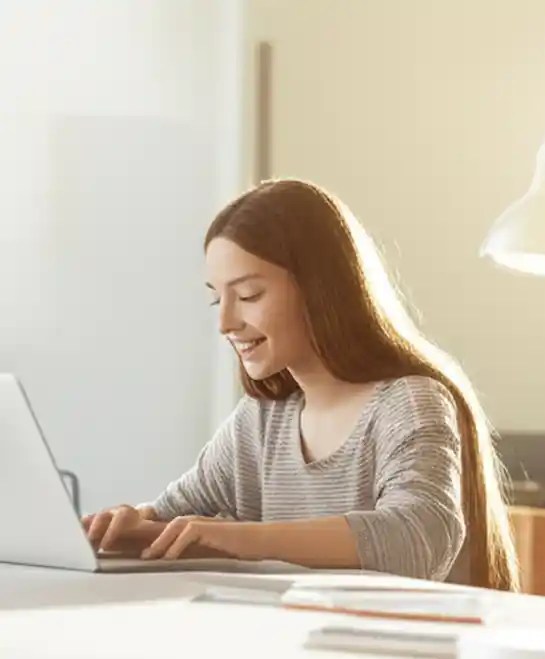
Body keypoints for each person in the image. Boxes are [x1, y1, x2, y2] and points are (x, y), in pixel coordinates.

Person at [79, 179, 519, 590]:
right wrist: (130, 524)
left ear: (319, 288)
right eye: (217, 297)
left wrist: (243, 539)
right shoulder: (262, 422)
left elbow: (417, 536)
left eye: (248, 295)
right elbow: (174, 518)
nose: (225, 322)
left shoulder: (408, 402)